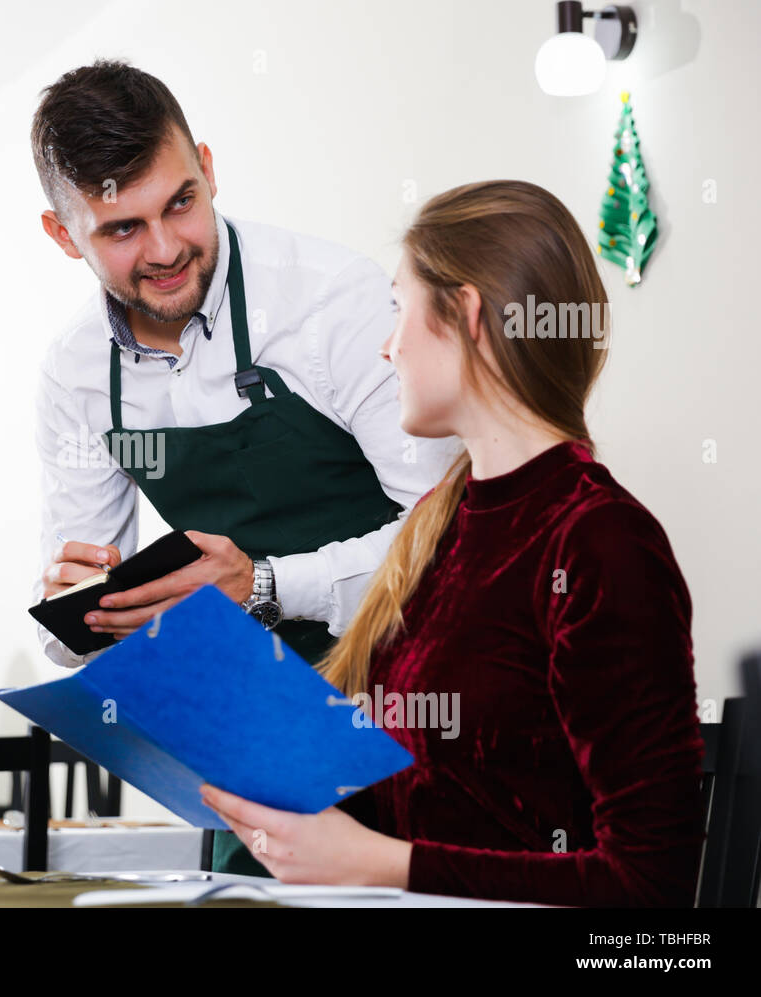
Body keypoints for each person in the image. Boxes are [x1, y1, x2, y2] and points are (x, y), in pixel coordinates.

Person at [201, 180, 706, 907]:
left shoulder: (600, 540)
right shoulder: (443, 520)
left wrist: (385, 865)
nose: (386, 344)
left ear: (466, 314)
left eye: (399, 309)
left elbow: (648, 889)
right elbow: (415, 797)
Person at [29, 60, 458, 874]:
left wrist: (262, 582)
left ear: (208, 167)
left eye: (180, 202)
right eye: (122, 229)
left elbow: (449, 541)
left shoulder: (333, 301)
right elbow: (90, 593)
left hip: (417, 705)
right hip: (258, 745)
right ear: (63, 234)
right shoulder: (75, 373)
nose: (164, 250)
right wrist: (80, 612)